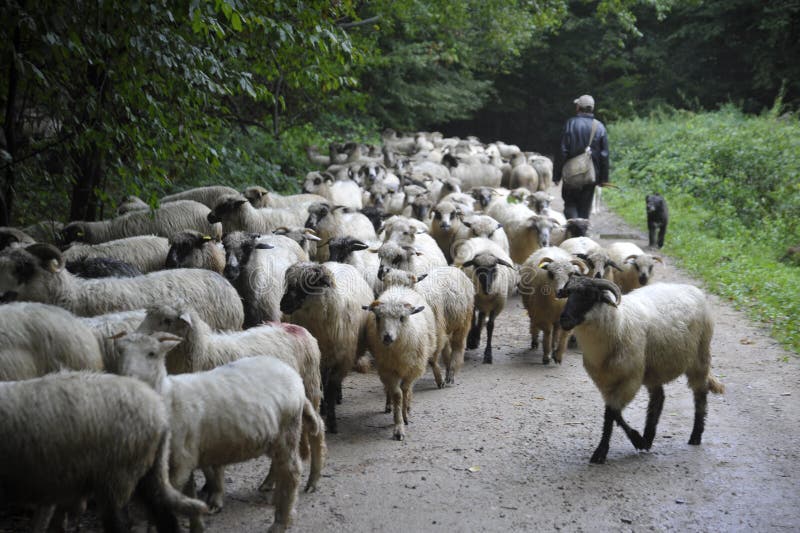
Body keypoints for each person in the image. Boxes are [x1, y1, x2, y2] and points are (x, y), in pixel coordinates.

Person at [553, 94, 610, 220]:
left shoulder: (570, 124)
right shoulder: (599, 127)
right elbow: (604, 155)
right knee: (584, 209)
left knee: (570, 204)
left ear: (578, 107)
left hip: (571, 174)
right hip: (590, 176)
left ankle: (572, 230)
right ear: (592, 108)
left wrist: (556, 176)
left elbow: (562, 151)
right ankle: (581, 233)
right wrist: (603, 179)